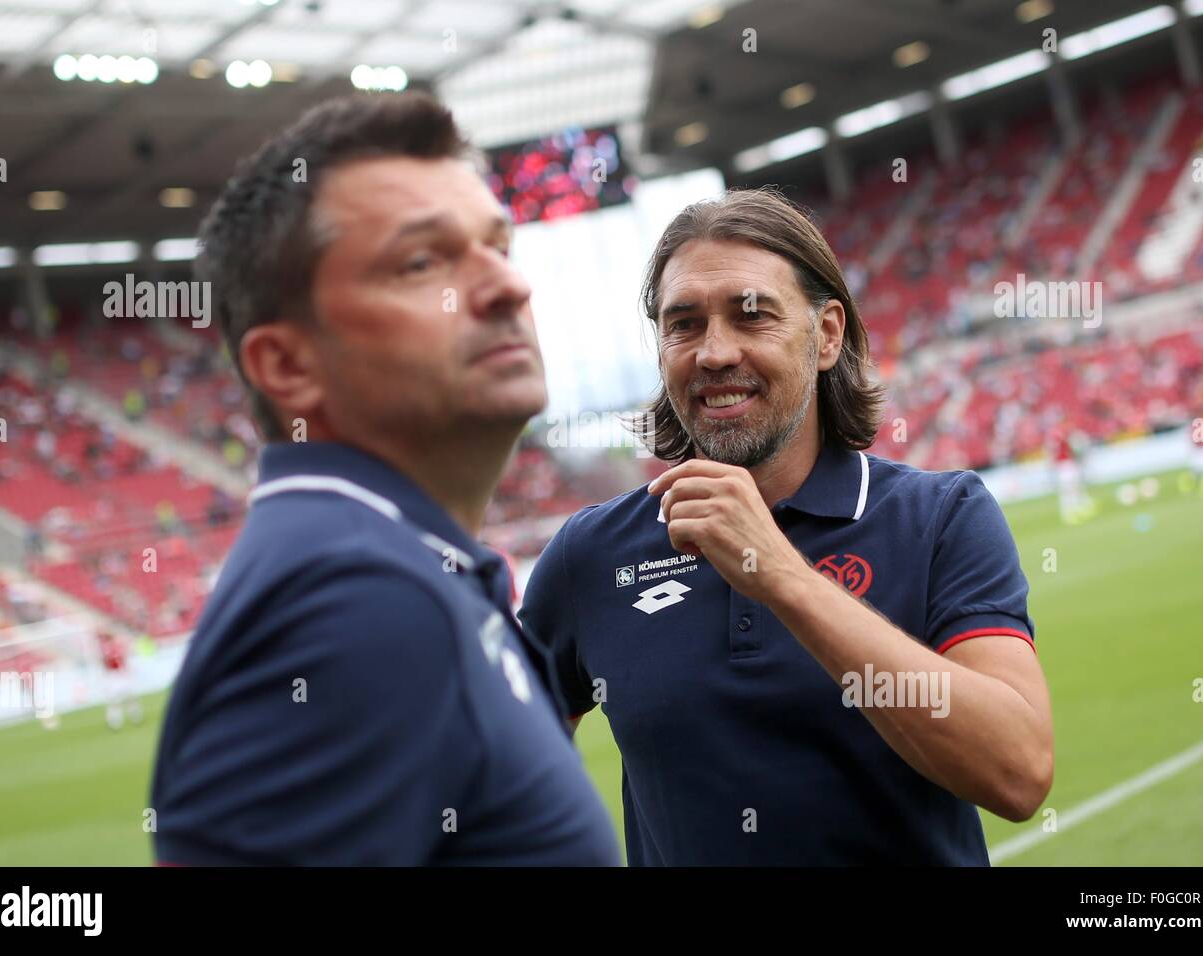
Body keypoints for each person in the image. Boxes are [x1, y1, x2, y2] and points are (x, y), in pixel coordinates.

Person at [150, 93, 618, 866]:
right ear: (288, 366)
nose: (508, 286)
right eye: (422, 262)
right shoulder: (350, 596)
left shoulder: (395, 565)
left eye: (498, 245)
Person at [519, 189, 1053, 865]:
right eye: (683, 324)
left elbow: (1018, 772)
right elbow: (492, 777)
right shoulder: (591, 554)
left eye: (752, 316)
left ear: (827, 335)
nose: (714, 352)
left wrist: (781, 577)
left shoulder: (940, 518)